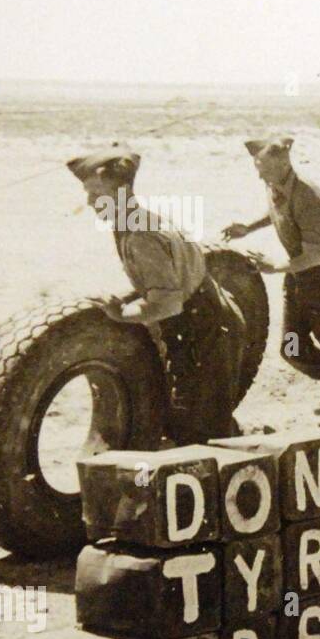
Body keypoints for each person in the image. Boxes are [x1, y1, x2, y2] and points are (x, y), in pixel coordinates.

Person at [67, 144, 245, 443]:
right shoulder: (135, 219)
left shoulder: (141, 236)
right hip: (205, 322)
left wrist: (121, 314)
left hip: (206, 331)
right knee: (198, 414)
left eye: (96, 194)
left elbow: (168, 304)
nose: (89, 202)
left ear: (121, 191)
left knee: (200, 432)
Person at [221, 137, 320, 425]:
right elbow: (278, 212)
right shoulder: (274, 184)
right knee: (291, 347)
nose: (257, 173)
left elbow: (317, 254)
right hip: (299, 272)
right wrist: (247, 228)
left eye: (261, 166)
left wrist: (274, 267)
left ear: (283, 162)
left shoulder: (310, 196)